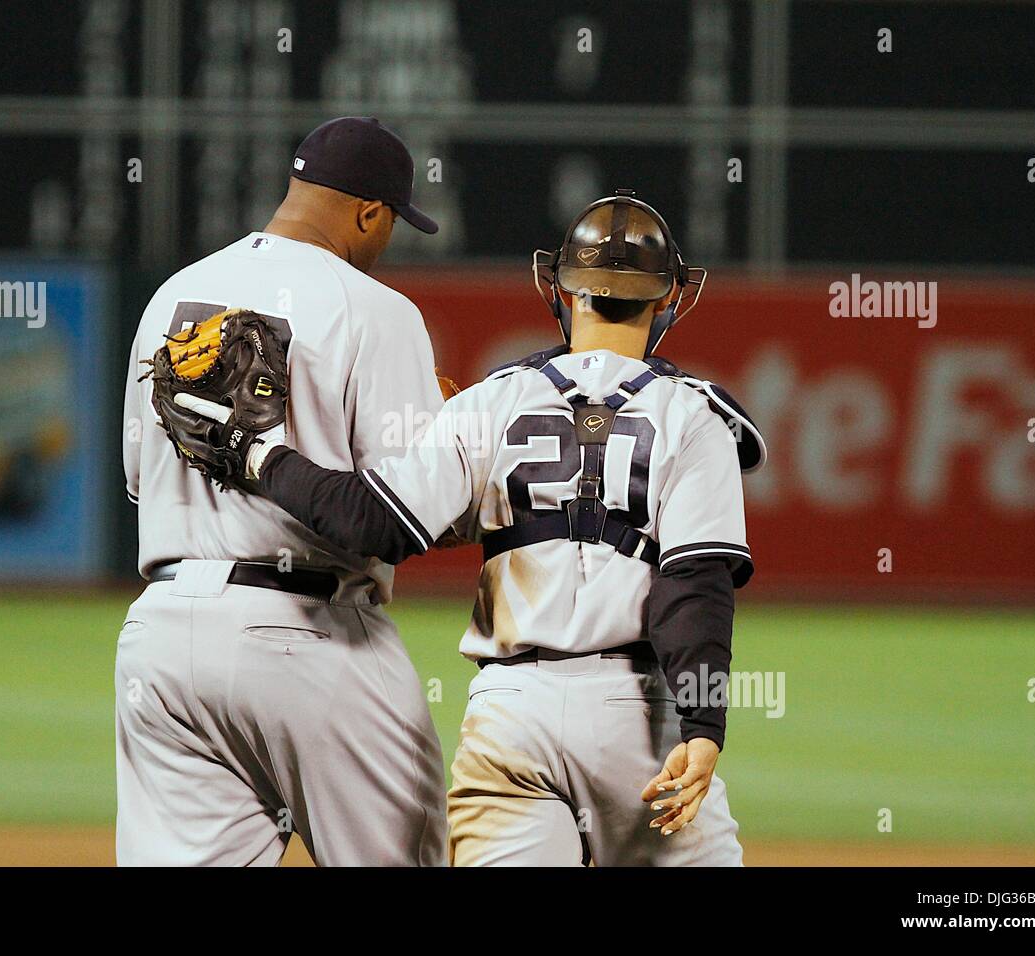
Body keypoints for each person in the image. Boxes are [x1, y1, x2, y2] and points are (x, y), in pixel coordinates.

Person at [225, 189, 767, 865]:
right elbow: (695, 586)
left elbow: (369, 521)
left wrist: (259, 455)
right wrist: (703, 724)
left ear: (562, 290)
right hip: (639, 714)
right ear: (669, 299)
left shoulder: (492, 401)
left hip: (511, 713)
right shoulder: (694, 417)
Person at [117, 116, 449, 866]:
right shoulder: (376, 308)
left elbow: (141, 483)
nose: (387, 239)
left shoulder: (174, 293)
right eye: (392, 222)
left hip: (164, 636)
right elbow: (409, 510)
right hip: (313, 634)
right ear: (370, 212)